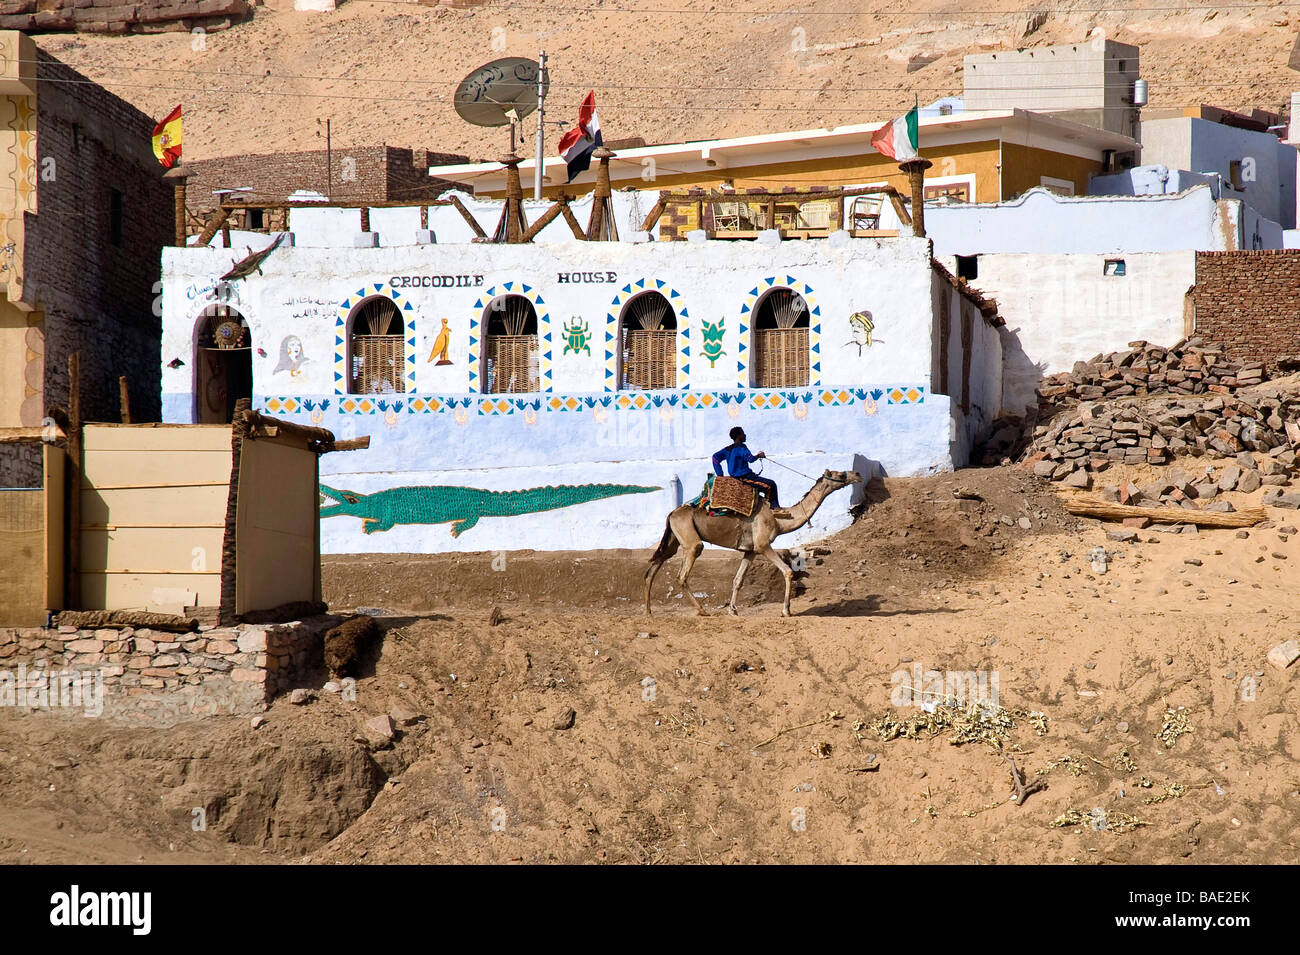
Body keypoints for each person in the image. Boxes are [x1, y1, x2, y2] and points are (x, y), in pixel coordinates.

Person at [711, 426, 779, 508]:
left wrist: (720, 475)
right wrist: (759, 455)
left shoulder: (727, 449)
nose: (745, 435)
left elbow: (715, 458)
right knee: (771, 485)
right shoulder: (741, 447)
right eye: (743, 433)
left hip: (739, 477)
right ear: (739, 436)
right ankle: (774, 509)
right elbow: (750, 459)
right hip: (745, 478)